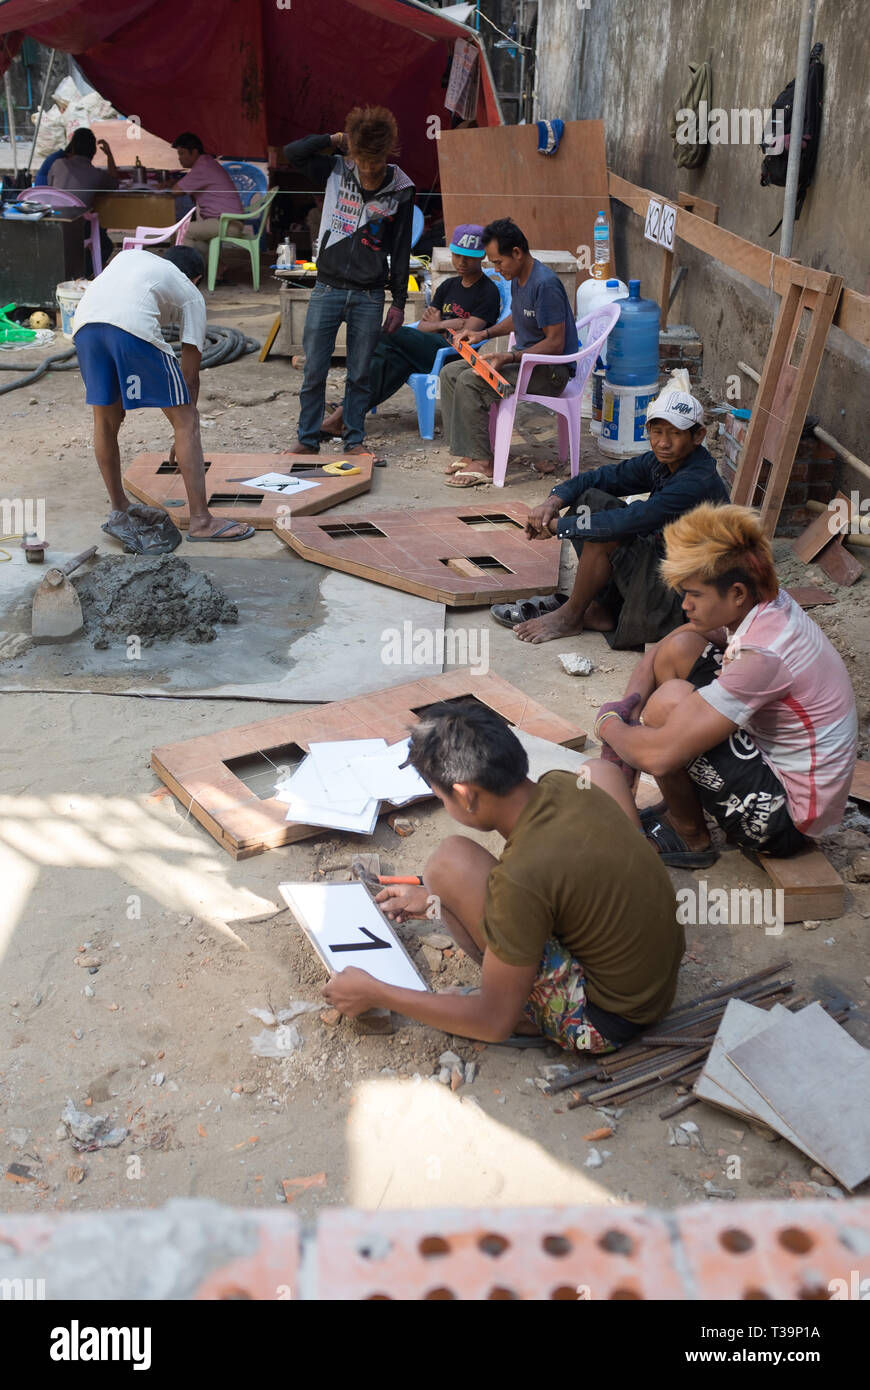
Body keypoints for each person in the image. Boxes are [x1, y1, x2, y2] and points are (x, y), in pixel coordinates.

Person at [320, 702, 684, 1051]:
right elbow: (551, 873)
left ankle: (533, 1018)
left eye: (441, 797)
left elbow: (494, 1022)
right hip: (652, 985)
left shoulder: (520, 879)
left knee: (450, 862)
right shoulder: (561, 785)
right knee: (600, 770)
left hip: (606, 1021)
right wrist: (435, 900)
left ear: (464, 795)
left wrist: (377, 992)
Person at [588, 503, 858, 869]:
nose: (684, 605)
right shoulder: (765, 602)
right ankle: (689, 803)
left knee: (668, 705)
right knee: (680, 650)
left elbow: (657, 757)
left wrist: (611, 725)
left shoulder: (763, 655)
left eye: (694, 595)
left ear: (736, 593)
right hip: (776, 764)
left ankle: (690, 835)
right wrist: (631, 701)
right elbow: (674, 643)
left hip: (789, 818)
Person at [499, 387, 730, 648]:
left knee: (606, 531)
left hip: (681, 602)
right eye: (657, 432)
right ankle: (600, 608)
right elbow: (604, 477)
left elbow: (632, 519)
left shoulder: (695, 481)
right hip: (661, 570)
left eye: (676, 434)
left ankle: (571, 616)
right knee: (591, 500)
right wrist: (553, 501)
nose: (664, 442)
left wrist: (558, 526)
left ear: (697, 436)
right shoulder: (662, 461)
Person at [72, 246, 254, 548]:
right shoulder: (190, 292)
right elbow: (190, 372)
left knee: (105, 421)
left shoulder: (130, 257)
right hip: (131, 327)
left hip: (84, 325)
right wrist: (183, 429)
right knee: (186, 420)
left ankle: (120, 508)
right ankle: (202, 521)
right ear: (195, 278)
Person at [284, 106, 415, 455]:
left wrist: (399, 302)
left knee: (360, 374)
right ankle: (307, 439)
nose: (369, 170)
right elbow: (292, 153)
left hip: (370, 295)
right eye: (363, 160)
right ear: (353, 152)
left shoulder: (402, 187)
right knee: (314, 369)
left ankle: (353, 439)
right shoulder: (335, 168)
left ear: (387, 154)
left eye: (375, 162)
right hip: (326, 288)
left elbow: (400, 249)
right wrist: (336, 139)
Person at [319, 224, 501, 439]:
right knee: (390, 363)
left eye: (469, 257)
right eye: (457, 255)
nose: (461, 262)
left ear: (481, 257)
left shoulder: (488, 292)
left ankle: (342, 412)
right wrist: (443, 325)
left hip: (450, 357)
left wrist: (440, 325)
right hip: (425, 346)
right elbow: (425, 326)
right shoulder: (448, 286)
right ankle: (341, 417)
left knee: (385, 333)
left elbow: (463, 337)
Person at [440, 217, 578, 488]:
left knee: (471, 381)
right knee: (450, 373)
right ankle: (468, 450)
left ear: (516, 252)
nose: (496, 268)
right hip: (526, 361)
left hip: (549, 372)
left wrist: (510, 357)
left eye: (498, 262)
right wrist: (484, 334)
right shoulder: (518, 277)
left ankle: (483, 462)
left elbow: (555, 344)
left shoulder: (545, 284)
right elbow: (518, 318)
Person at [166, 133, 244, 262]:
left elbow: (176, 191)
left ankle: (185, 273)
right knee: (196, 242)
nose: (180, 158)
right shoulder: (205, 163)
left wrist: (170, 185)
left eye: (182, 153)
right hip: (227, 221)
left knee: (183, 230)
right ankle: (218, 269)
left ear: (194, 152)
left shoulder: (203, 167)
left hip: (227, 223)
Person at [48, 127, 119, 268]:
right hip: (77, 229)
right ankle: (83, 271)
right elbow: (114, 183)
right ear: (93, 151)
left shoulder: (57, 164)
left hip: (51, 224)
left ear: (72, 146)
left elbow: (51, 188)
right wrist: (109, 155)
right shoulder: (95, 174)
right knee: (106, 245)